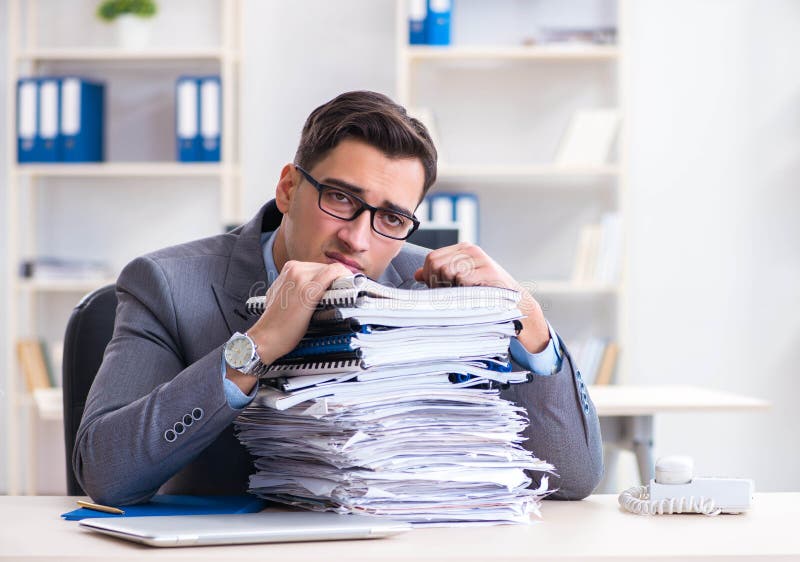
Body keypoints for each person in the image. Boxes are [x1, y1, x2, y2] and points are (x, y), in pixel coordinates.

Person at [75, 91, 602, 505]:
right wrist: (254, 348)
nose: (358, 238)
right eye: (341, 198)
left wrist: (527, 318)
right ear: (288, 189)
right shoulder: (166, 284)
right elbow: (105, 473)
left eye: (391, 217)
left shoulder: (430, 288)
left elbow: (573, 477)